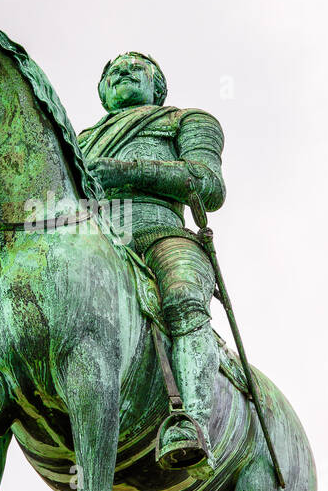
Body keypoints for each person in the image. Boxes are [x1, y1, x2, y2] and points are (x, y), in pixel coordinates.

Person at [79, 52, 225, 468]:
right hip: (95, 245)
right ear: (103, 91)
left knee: (182, 295)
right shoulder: (78, 141)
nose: (121, 71)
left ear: (158, 87)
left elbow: (207, 185)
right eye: (111, 71)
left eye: (135, 67)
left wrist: (124, 172)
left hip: (161, 236)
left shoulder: (186, 120)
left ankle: (190, 423)